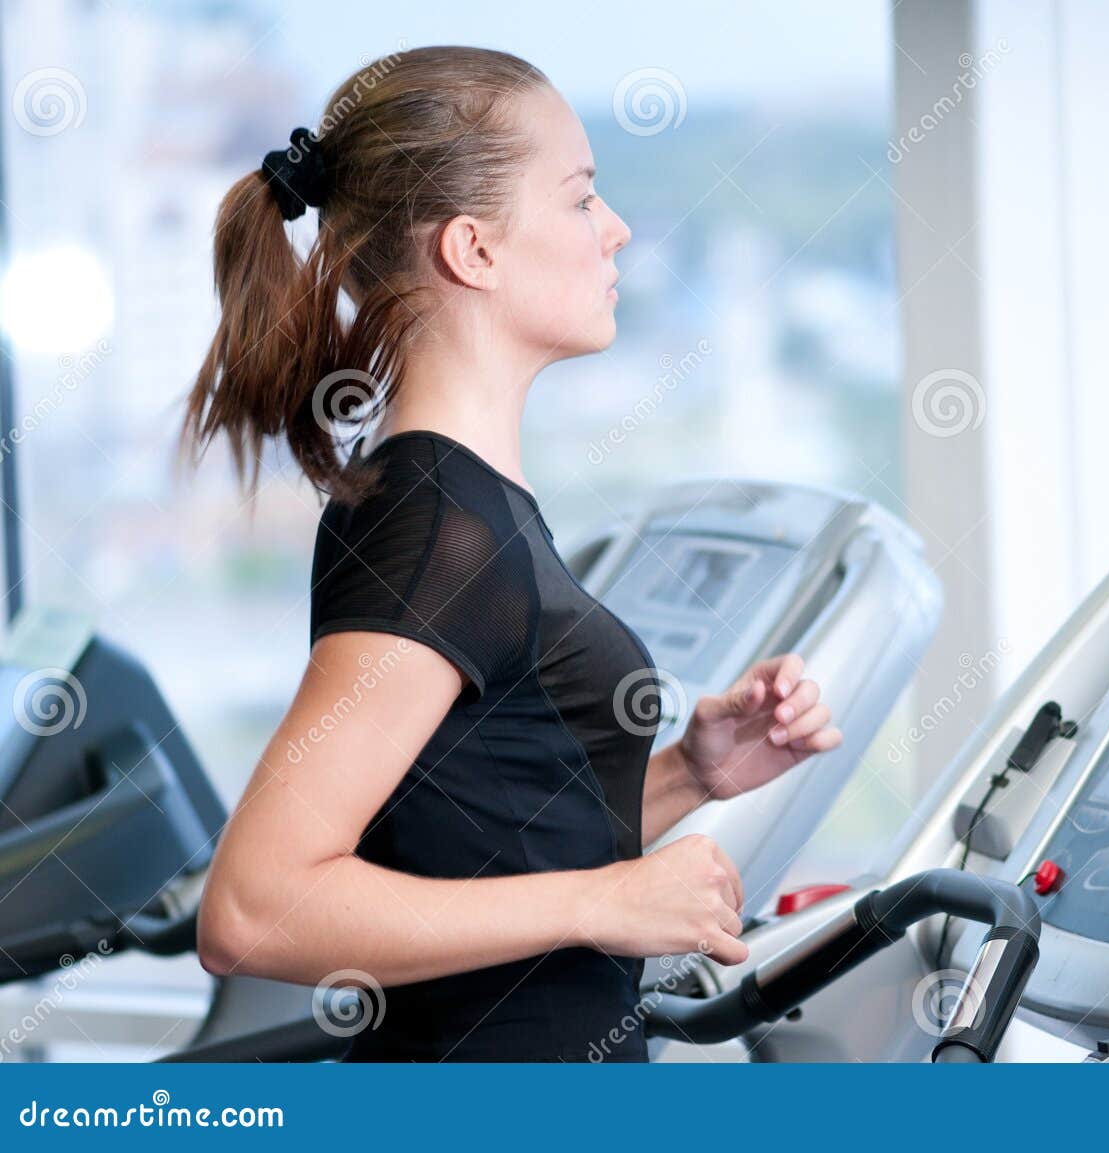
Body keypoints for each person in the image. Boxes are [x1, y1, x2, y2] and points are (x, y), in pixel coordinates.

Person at [182, 45, 842, 1062]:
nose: (614, 227)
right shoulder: (435, 525)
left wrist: (690, 774)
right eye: (580, 200)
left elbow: (473, 834)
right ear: (472, 250)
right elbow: (252, 910)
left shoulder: (468, 505)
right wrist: (600, 900)